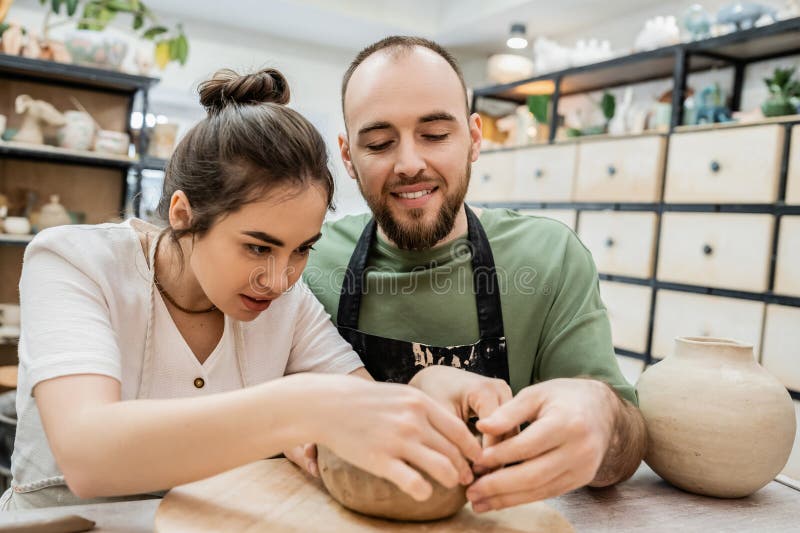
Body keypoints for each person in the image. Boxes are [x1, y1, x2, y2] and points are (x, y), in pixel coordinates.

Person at [0, 67, 489, 510]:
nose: (279, 280)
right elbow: (90, 457)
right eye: (258, 248)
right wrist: (301, 408)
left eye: (301, 250)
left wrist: (425, 390)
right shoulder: (73, 261)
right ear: (182, 213)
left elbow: (359, 411)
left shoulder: (286, 304)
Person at [303, 36, 648, 512]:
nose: (409, 164)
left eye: (436, 135)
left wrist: (605, 421)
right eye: (379, 143)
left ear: (474, 139)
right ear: (347, 156)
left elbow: (627, 448)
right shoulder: (309, 260)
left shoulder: (549, 257)